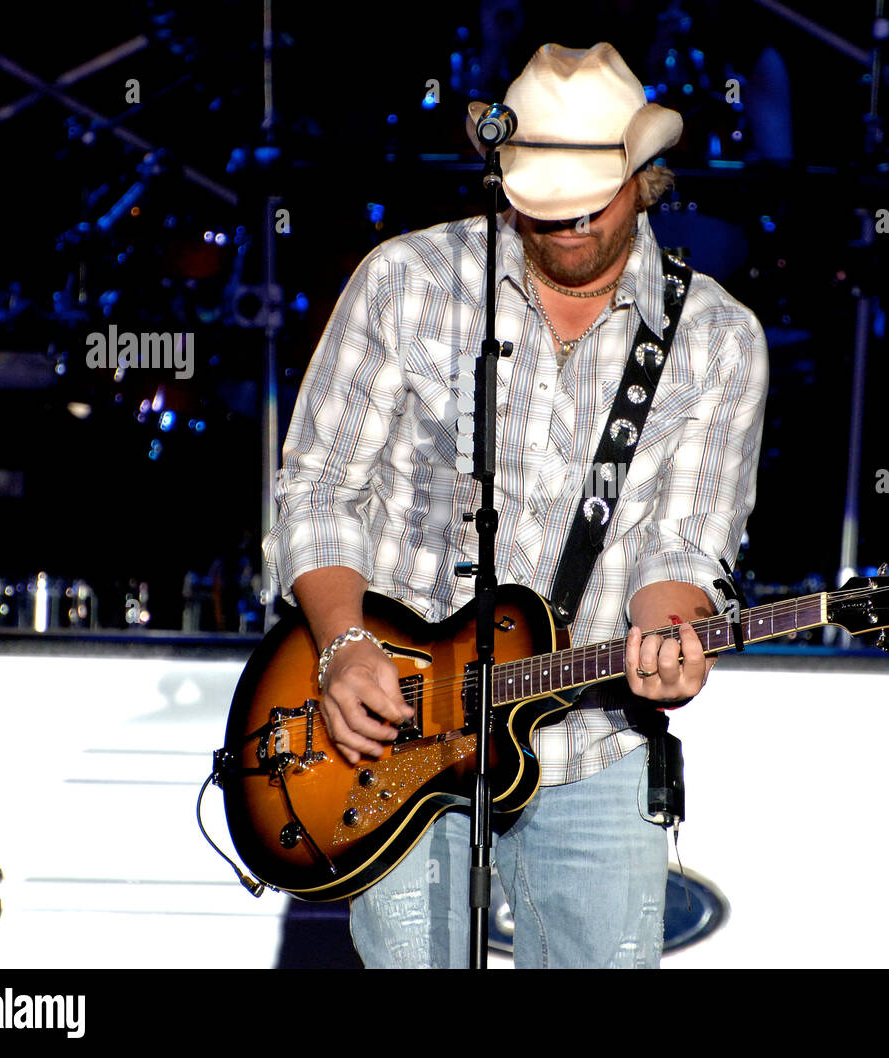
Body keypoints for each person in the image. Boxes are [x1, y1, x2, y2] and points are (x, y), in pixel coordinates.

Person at [263, 41, 768, 968]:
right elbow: (318, 488)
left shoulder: (717, 341)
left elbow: (683, 549)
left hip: (597, 740)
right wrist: (341, 644)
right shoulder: (407, 283)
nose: (567, 231)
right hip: (397, 731)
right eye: (542, 212)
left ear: (645, 181)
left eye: (589, 209)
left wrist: (671, 640)